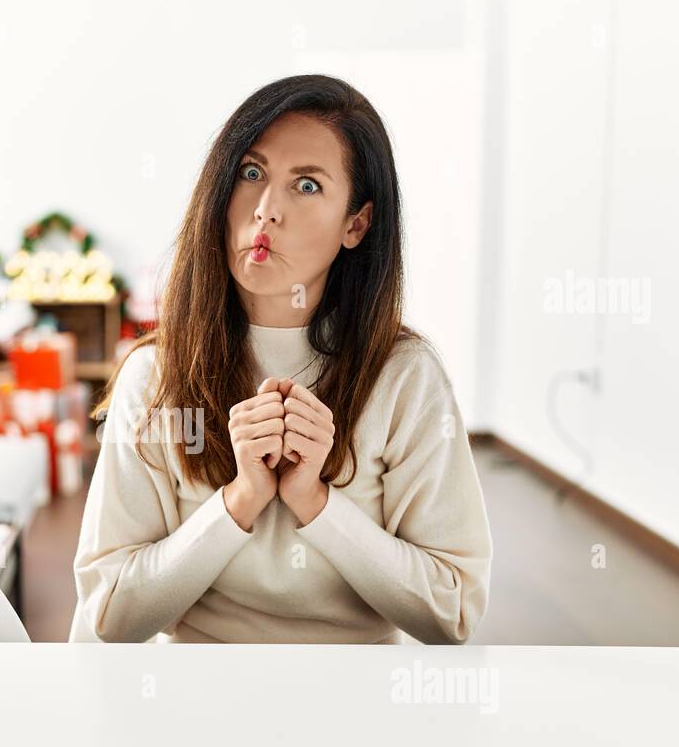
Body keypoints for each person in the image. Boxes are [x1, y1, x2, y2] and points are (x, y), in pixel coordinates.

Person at [69, 74, 493, 645]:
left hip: (357, 706)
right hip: (193, 705)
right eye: (251, 174)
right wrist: (240, 500)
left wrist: (314, 501)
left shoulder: (406, 377)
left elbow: (454, 611)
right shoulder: (154, 376)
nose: (266, 210)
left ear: (356, 224)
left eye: (308, 185)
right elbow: (112, 615)